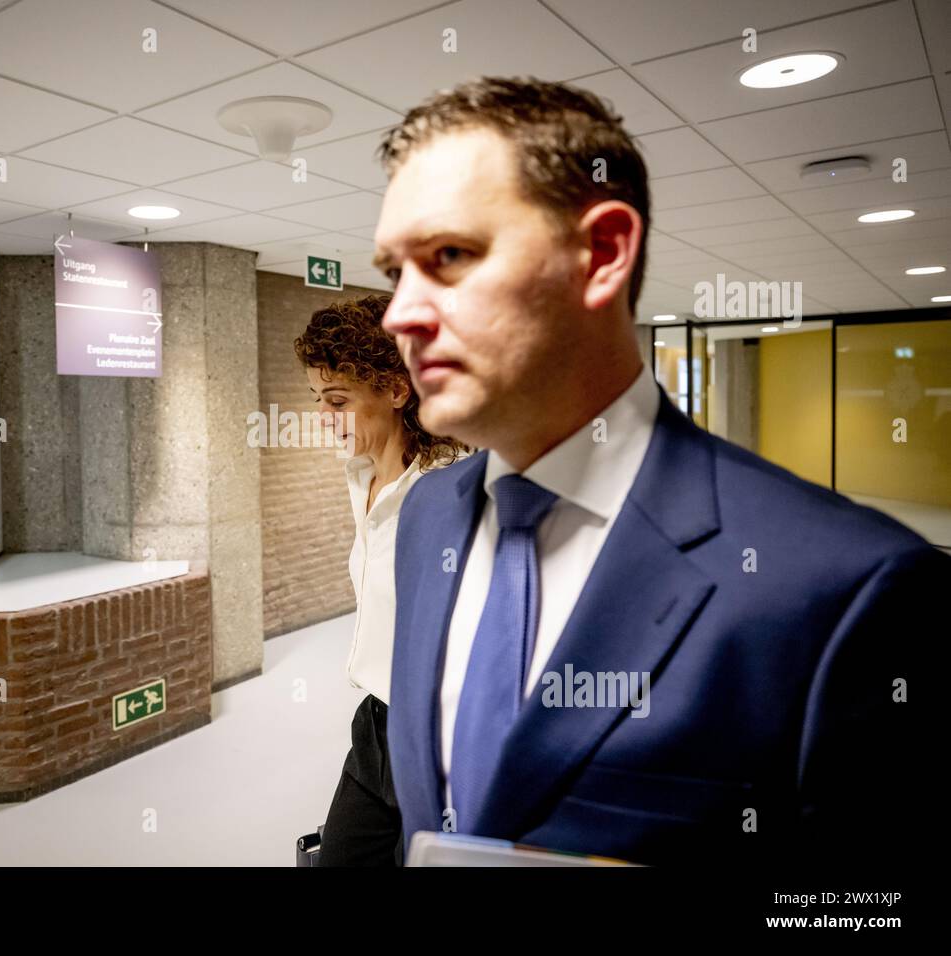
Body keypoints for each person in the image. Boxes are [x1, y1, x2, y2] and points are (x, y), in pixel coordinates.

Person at [370, 77, 945, 865]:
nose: (399, 312)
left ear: (602, 252)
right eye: (392, 272)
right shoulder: (427, 516)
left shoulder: (848, 588)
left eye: (449, 257)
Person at [294, 295, 464, 866]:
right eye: (318, 398)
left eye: (338, 400)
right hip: (376, 724)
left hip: (442, 739)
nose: (323, 415)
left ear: (397, 390)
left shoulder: (452, 491)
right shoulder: (362, 474)